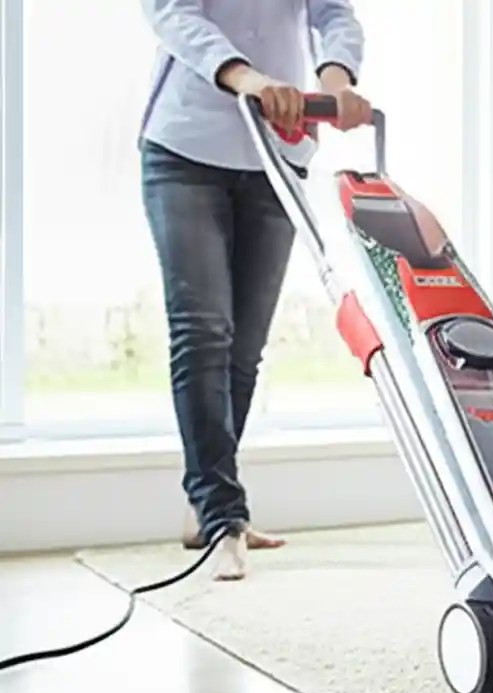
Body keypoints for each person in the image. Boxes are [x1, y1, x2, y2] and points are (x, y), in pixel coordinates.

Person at [139, 1, 373, 581]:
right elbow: (173, 14)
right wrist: (248, 77)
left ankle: (205, 503)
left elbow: (333, 14)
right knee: (203, 332)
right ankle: (223, 516)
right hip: (187, 148)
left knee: (244, 348)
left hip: (277, 150)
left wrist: (336, 80)